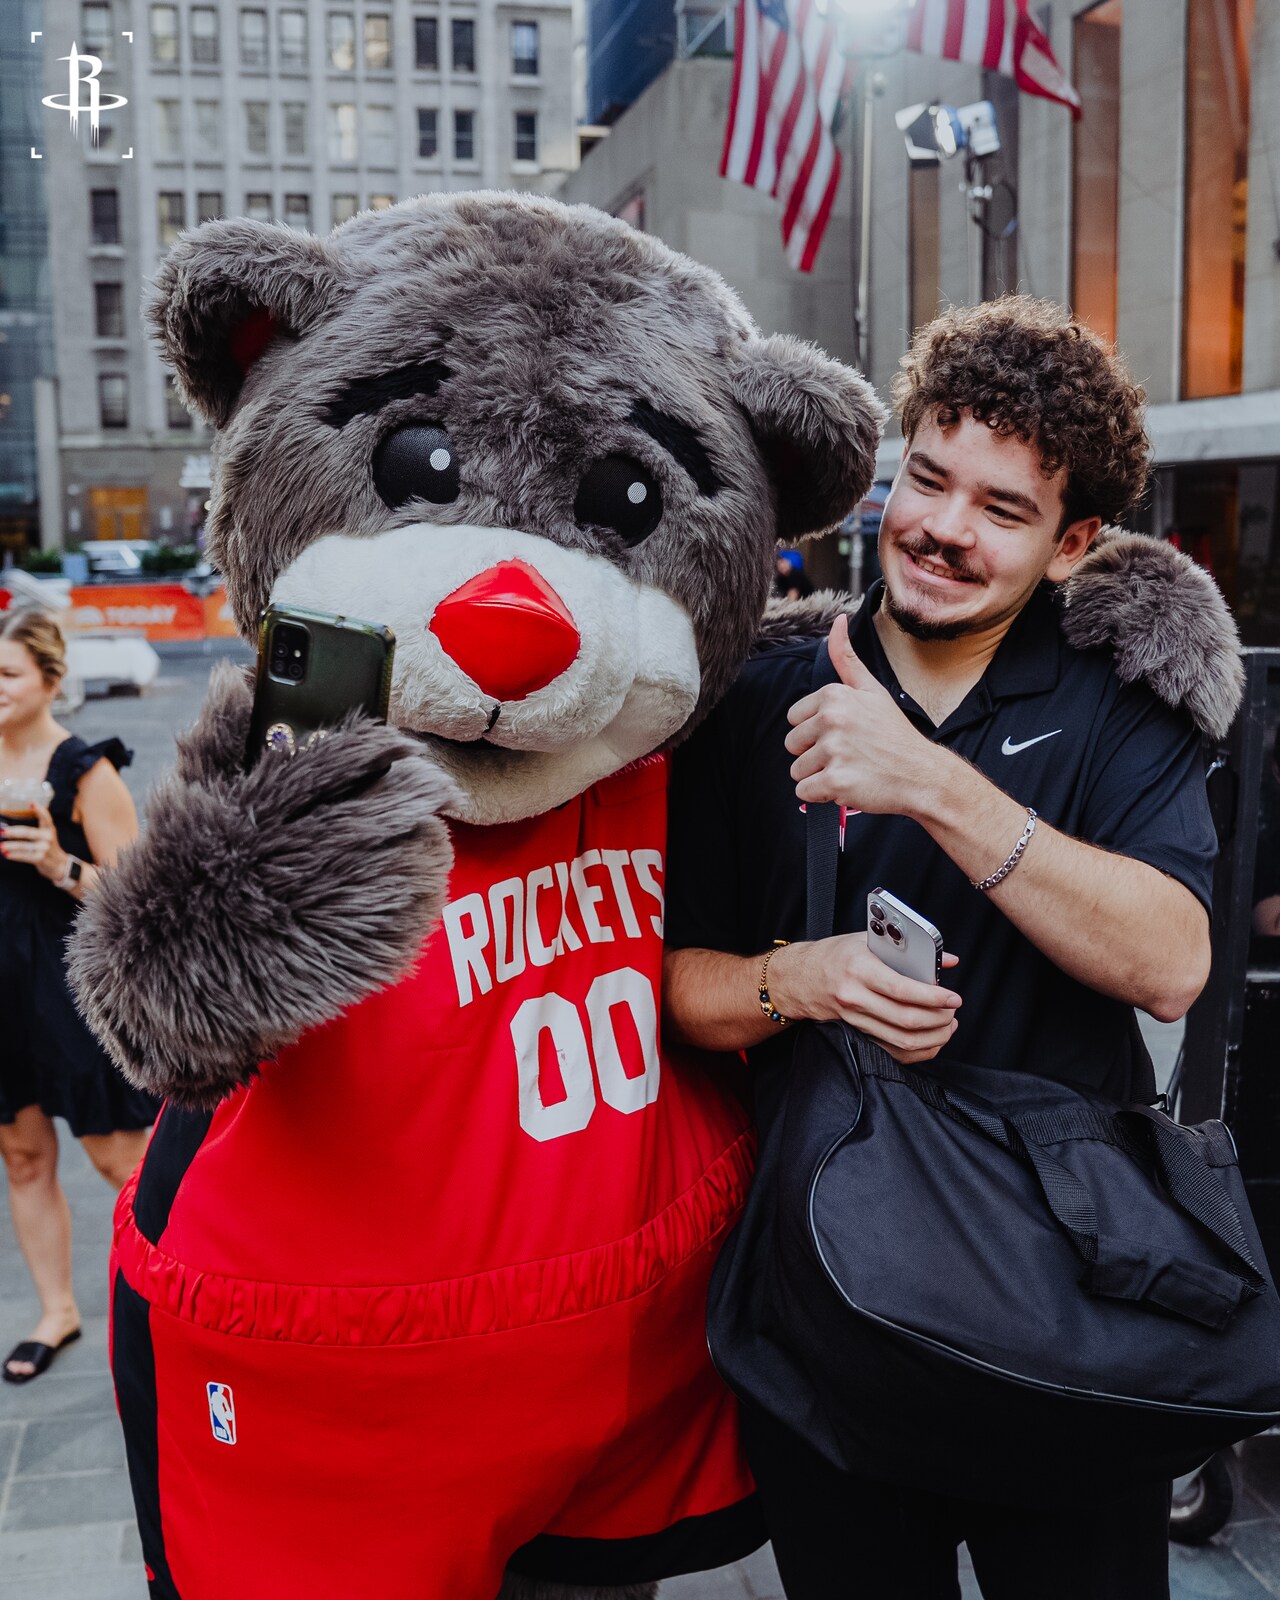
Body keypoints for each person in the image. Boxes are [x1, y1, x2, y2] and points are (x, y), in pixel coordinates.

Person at [663, 298, 1219, 1599]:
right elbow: (674, 990)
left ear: (1076, 540)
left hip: (1068, 1309)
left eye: (1002, 509)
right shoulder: (755, 698)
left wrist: (936, 785)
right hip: (833, 1311)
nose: (942, 530)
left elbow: (1172, 962)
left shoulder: (1120, 703)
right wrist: (795, 979)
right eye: (928, 479)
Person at [0, 607, 154, 1383]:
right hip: (0, 991)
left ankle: (173, 1304)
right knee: (22, 1156)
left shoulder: (85, 769)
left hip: (69, 985)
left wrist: (58, 862)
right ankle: (57, 1310)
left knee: (120, 1159)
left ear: (51, 682)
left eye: (7, 674)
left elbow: (137, 898)